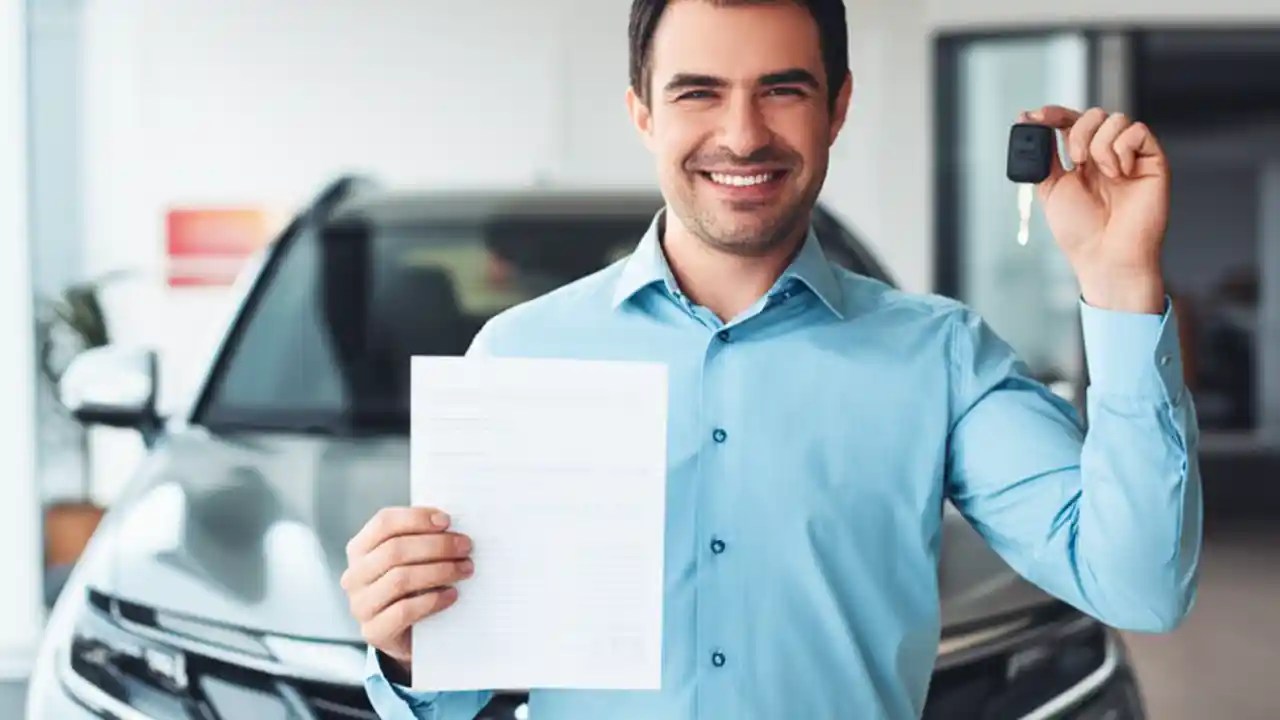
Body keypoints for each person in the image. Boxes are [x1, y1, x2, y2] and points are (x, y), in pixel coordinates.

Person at [341, 0, 1202, 717]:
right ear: (643, 111)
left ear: (838, 106)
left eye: (782, 90)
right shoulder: (521, 356)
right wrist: (410, 654)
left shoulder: (940, 356)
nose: (742, 134)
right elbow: (454, 698)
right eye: (698, 93)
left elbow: (1140, 585)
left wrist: (1119, 277)